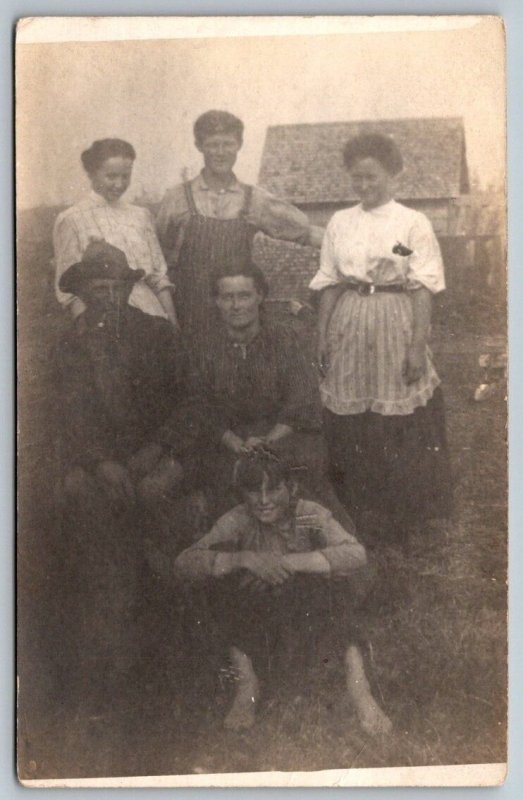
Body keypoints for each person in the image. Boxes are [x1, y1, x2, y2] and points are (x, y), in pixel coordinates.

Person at [56, 240, 190, 712]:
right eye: (98, 289)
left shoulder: (157, 333)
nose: (108, 297)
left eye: (116, 287)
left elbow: (189, 403)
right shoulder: (71, 344)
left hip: (157, 454)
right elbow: (69, 415)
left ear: (127, 289)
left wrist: (155, 451)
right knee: (82, 496)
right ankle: (109, 631)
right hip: (103, 460)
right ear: (86, 293)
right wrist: (99, 461)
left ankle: (172, 628)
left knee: (156, 500)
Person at [174, 449, 392, 735]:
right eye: (254, 491)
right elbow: (183, 563)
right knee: (223, 587)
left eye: (274, 489)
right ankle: (246, 680)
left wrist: (288, 563)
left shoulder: (306, 516)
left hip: (306, 604)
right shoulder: (239, 520)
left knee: (334, 592)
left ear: (291, 488)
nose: (264, 501)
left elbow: (356, 554)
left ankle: (359, 687)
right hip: (258, 610)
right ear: (243, 494)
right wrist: (244, 559)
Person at [310, 132, 452, 534]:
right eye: (357, 178)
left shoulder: (410, 223)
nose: (364, 186)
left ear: (393, 175)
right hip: (349, 318)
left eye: (372, 177)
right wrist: (322, 337)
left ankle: (403, 511)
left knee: (396, 413)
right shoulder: (340, 222)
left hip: (395, 316)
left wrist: (416, 346)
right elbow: (332, 281)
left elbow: (421, 283)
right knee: (351, 414)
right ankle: (358, 506)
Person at [158, 256, 356, 530]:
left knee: (302, 473)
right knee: (217, 481)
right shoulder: (203, 347)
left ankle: (317, 541)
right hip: (227, 440)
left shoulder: (286, 339)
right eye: (227, 297)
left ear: (260, 296)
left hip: (283, 436)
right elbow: (197, 404)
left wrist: (267, 441)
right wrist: (233, 442)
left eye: (244, 296)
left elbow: (302, 399)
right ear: (216, 301)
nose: (236, 306)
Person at [155, 110, 323, 338]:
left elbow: (305, 232)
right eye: (213, 145)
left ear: (239, 145)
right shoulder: (177, 198)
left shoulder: (254, 198)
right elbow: (159, 256)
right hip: (189, 312)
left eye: (228, 144)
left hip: (238, 314)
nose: (221, 152)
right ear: (199, 146)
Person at [53, 138, 177, 326]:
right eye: (111, 176)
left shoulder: (141, 216)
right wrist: (89, 332)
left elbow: (158, 277)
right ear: (92, 174)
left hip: (152, 319)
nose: (119, 184)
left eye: (125, 176)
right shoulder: (71, 219)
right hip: (104, 321)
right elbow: (69, 292)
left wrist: (172, 324)